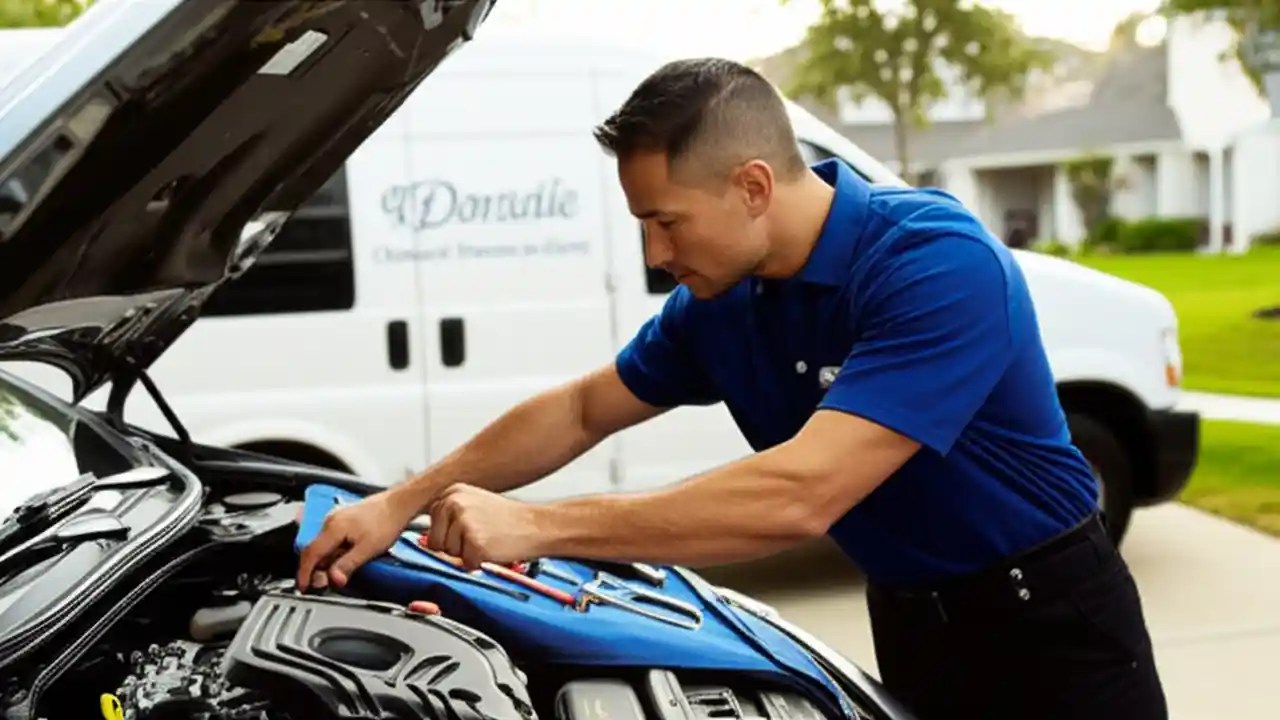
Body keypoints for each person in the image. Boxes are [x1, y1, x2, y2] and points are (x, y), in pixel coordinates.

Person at [296, 58, 1166, 719]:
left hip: (1050, 626)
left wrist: (538, 526)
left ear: (752, 186)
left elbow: (799, 497)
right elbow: (581, 408)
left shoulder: (932, 263)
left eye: (665, 222)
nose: (655, 255)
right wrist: (398, 503)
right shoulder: (723, 301)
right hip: (912, 620)